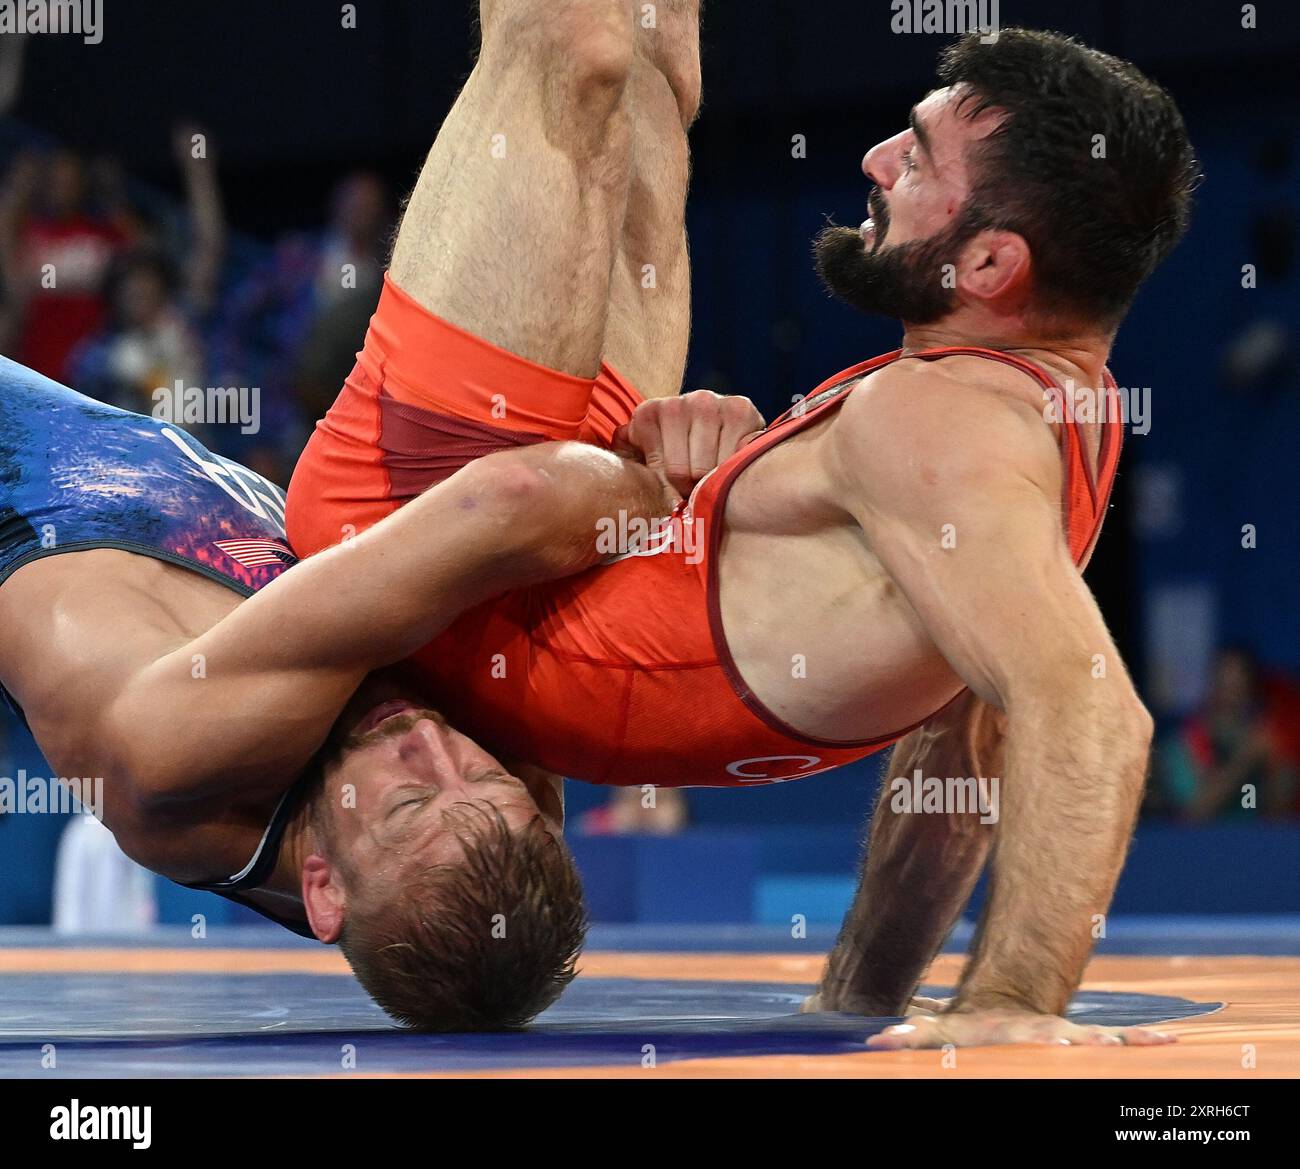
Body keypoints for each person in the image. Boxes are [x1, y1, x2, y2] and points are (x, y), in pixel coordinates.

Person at [288, 13, 1198, 1047]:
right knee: (653, 71)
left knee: (573, 51)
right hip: (560, 537)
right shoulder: (1062, 420)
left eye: (916, 152)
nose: (875, 159)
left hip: (434, 528)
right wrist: (857, 999)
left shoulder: (942, 423)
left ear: (989, 264)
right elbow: (962, 750)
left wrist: (1013, 1002)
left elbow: (1087, 713)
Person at [0, 347, 733, 1029]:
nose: (430, 740)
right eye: (486, 772)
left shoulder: (178, 750)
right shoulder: (449, 815)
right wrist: (702, 451)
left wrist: (671, 490)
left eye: (410, 799)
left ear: (323, 890)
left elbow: (511, 496)